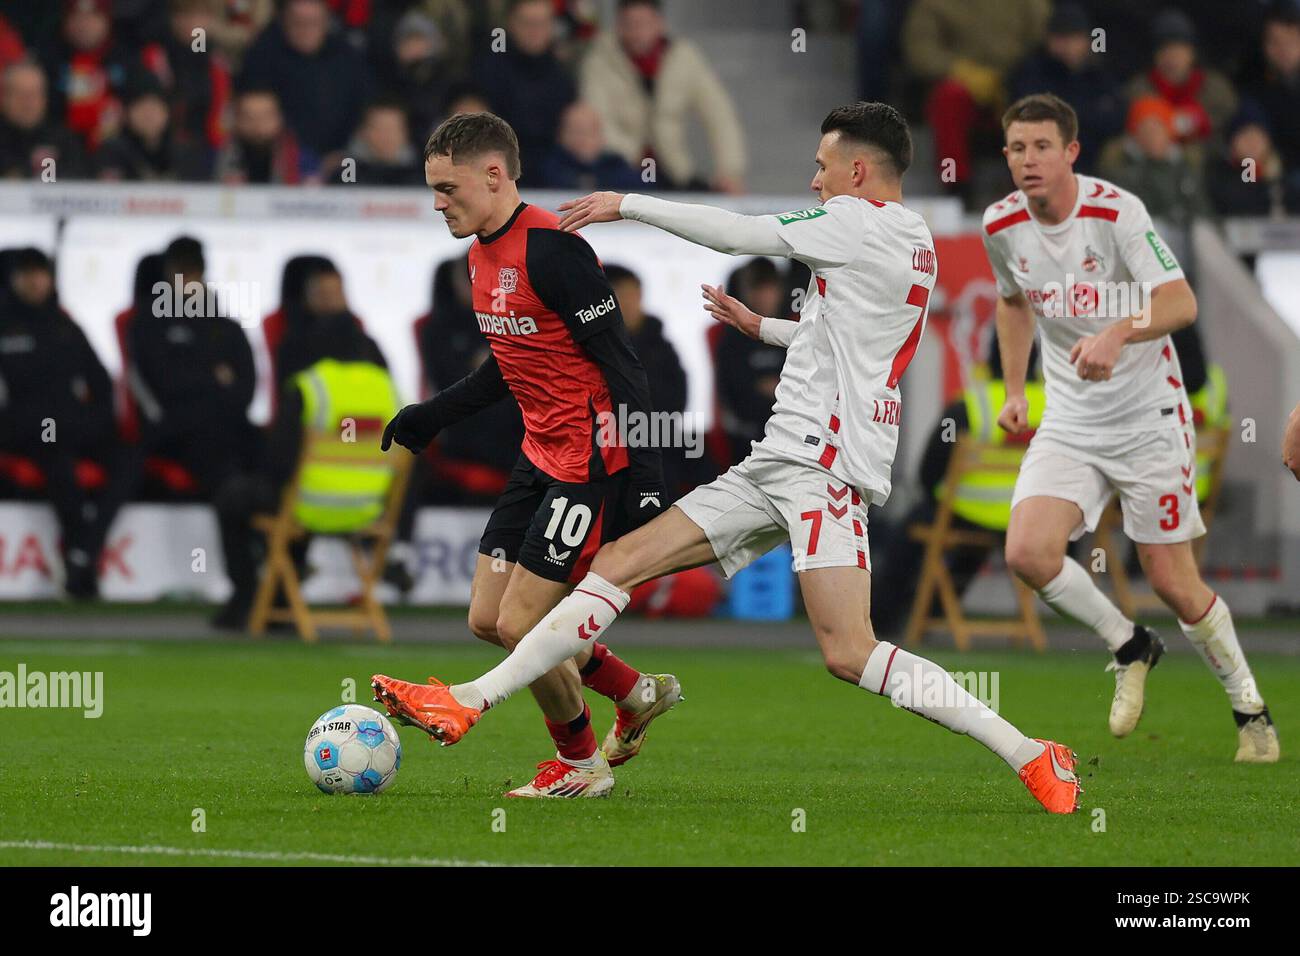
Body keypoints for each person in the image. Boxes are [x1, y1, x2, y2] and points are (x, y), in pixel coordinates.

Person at [373, 102, 1084, 815]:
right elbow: (851, 334)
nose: (813, 181)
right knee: (615, 564)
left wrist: (630, 203)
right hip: (780, 458)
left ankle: (1030, 752)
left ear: (858, 171)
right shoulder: (909, 237)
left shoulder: (856, 220)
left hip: (824, 467)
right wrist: (767, 326)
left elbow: (740, 230)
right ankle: (492, 710)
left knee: (850, 652)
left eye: (821, 165)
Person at [374, 112, 676, 798]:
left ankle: (580, 765)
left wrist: (648, 483)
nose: (436, 203)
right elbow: (504, 367)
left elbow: (624, 366)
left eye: (447, 188)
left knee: (521, 625)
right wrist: (431, 416)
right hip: (537, 456)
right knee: (487, 619)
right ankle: (635, 691)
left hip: (589, 463)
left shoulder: (554, 250)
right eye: (432, 189)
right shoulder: (480, 256)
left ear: (494, 174)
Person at [982, 93, 1277, 763]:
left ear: (1072, 153)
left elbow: (1179, 300)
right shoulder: (1001, 224)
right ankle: (1130, 644)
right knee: (1027, 553)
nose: (1029, 160)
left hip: (1149, 420)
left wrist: (1120, 330)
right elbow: (1011, 303)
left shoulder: (1115, 213)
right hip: (1071, 421)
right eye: (1017, 149)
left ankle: (1249, 707)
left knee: (1173, 582)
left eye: (1042, 147)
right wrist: (1015, 387)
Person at [212, 312, 395, 629]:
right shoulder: (388, 389)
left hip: (308, 505)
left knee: (236, 498)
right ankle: (282, 595)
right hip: (368, 509)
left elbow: (280, 463)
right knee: (287, 499)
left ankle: (247, 596)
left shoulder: (310, 385)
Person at [0, 247, 118, 598]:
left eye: (41, 273)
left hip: (71, 424)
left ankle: (86, 549)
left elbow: (100, 381)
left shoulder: (65, 325)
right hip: (25, 429)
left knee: (129, 458)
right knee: (60, 462)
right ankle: (80, 561)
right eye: (27, 274)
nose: (36, 281)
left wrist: (96, 420)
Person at [579, 0, 746, 193]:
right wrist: (632, 156)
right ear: (618, 26)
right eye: (629, 24)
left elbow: (719, 115)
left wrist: (730, 170)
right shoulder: (599, 61)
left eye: (644, 24)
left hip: (674, 171)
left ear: (660, 23)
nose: (637, 32)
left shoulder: (684, 58)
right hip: (619, 169)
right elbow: (598, 120)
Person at [470, 0, 575, 187]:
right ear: (511, 24)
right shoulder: (488, 70)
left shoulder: (562, 75)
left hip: (553, 172)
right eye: (528, 23)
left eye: (542, 24)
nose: (535, 31)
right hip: (498, 169)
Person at [0, 60, 88, 180]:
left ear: (45, 98)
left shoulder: (65, 141)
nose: (27, 102)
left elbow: (82, 187)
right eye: (19, 94)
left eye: (34, 94)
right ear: (4, 97)